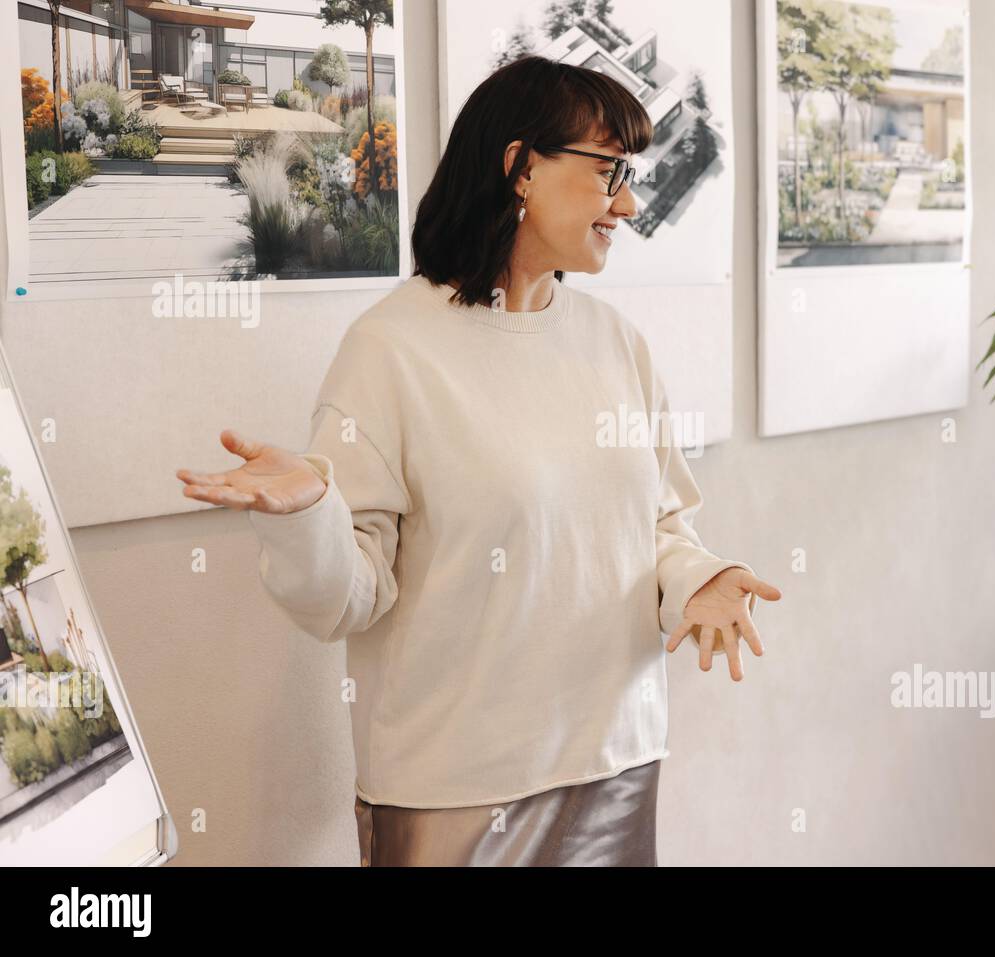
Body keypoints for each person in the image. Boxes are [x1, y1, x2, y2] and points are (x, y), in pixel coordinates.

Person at [175, 55, 781, 866]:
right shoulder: (391, 350)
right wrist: (311, 516)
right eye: (610, 173)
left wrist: (696, 578)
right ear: (521, 168)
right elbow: (343, 601)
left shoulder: (615, 343)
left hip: (617, 763)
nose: (628, 204)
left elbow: (658, 525)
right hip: (455, 796)